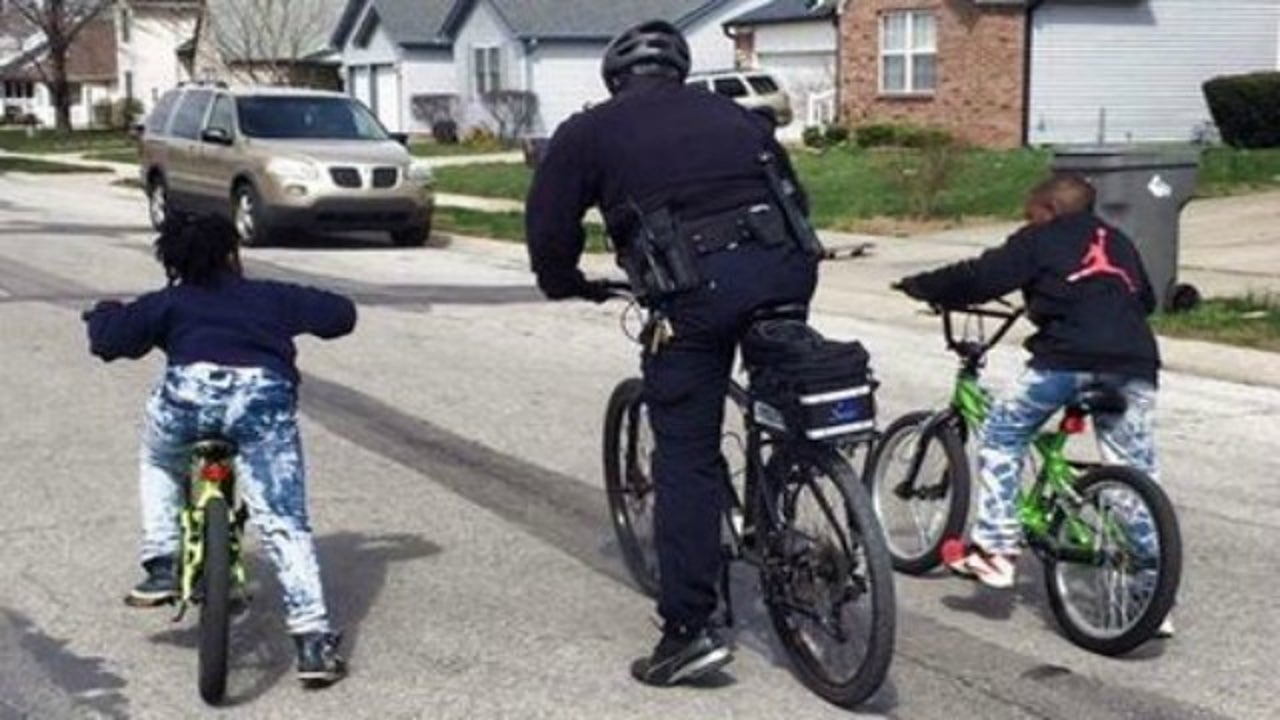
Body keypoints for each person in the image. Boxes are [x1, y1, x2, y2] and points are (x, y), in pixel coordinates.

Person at [525, 19, 820, 686]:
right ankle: (796, 492)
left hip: (694, 288)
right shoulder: (737, 115)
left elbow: (548, 224)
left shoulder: (588, 131)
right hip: (787, 266)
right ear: (678, 74)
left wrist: (561, 280)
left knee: (685, 453)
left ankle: (689, 633)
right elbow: (794, 196)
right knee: (778, 399)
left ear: (616, 79)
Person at [894, 175, 1173, 636]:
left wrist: (922, 285)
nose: (1027, 221)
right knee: (1136, 472)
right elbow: (1144, 298)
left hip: (1067, 359)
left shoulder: (1039, 239)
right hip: (1134, 362)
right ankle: (1153, 597)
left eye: (1030, 214)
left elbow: (980, 277)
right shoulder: (1118, 240)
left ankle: (995, 552)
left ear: (1048, 208)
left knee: (1003, 434)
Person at [83, 215, 355, 685]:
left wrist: (105, 311)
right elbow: (341, 315)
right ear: (233, 254)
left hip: (187, 402)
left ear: (172, 262)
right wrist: (301, 305)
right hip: (260, 405)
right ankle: (313, 644)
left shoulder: (168, 302)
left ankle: (163, 562)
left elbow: (109, 342)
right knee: (283, 520)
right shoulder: (269, 297)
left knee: (159, 459)